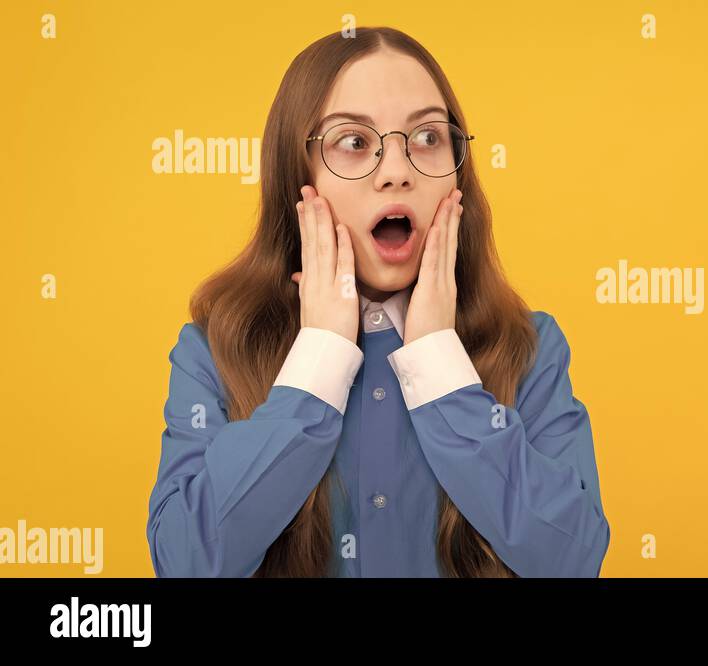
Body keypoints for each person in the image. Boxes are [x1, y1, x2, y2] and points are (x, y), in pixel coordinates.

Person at [145, 26, 610, 577]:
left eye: (428, 138)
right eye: (355, 142)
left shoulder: (530, 348)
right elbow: (186, 563)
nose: (397, 172)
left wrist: (439, 363)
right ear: (298, 175)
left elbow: (573, 558)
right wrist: (320, 356)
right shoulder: (214, 352)